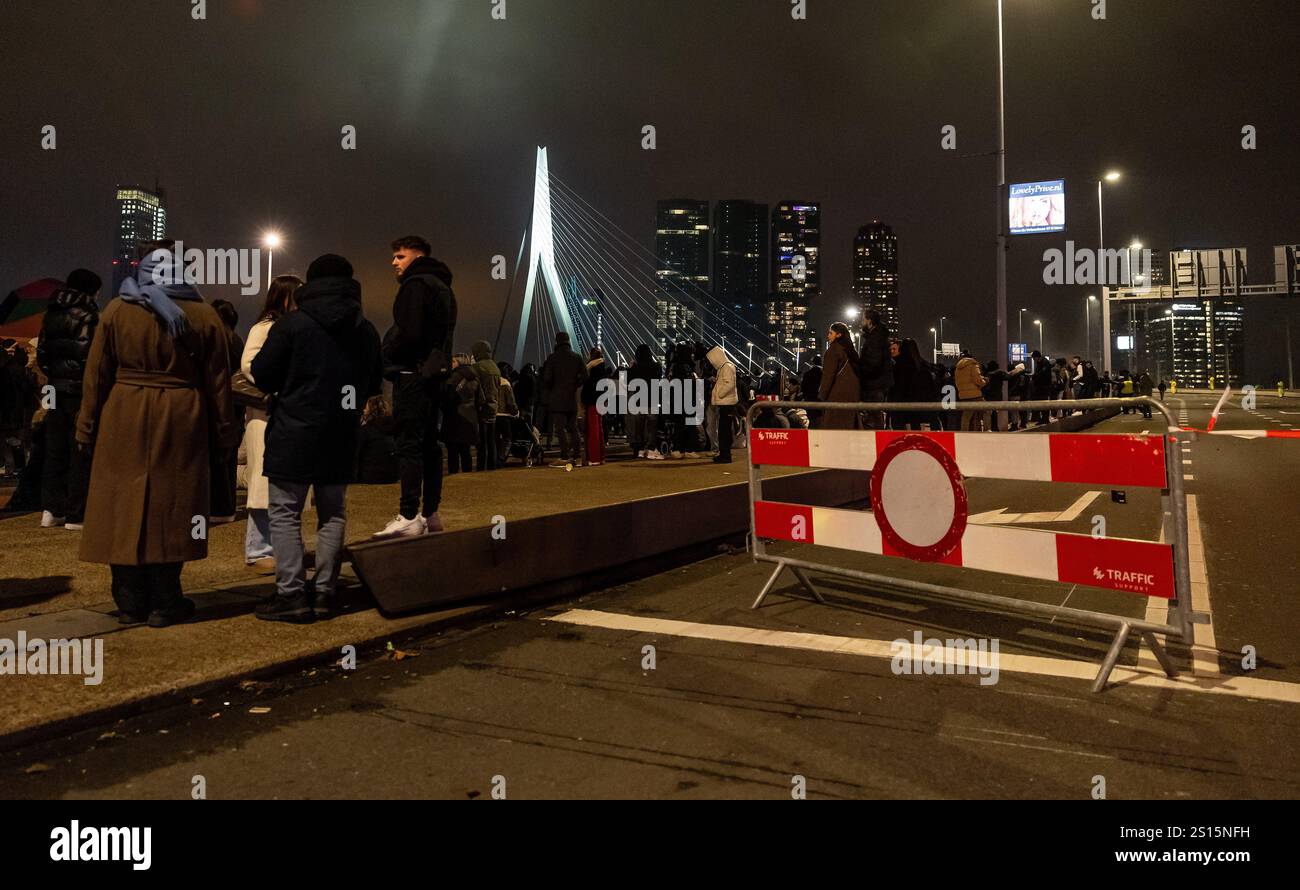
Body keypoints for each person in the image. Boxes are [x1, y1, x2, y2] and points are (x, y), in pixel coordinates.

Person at [77, 242, 237, 627]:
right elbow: (219, 383)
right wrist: (223, 433)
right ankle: (166, 600)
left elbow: (96, 374)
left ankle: (129, 600)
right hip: (183, 413)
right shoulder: (204, 315)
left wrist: (86, 425)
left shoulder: (117, 308)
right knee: (174, 503)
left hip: (124, 411)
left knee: (121, 502)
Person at [250, 254, 382, 622]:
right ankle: (325, 592)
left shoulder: (294, 325)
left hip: (295, 428)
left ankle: (291, 595)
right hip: (341, 432)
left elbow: (262, 374)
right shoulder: (365, 329)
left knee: (285, 513)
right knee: (333, 513)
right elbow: (373, 382)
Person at [375, 235, 457, 539]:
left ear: (417, 256)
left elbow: (409, 334)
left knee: (409, 443)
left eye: (400, 256)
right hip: (435, 376)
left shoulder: (416, 285)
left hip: (412, 375)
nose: (394, 262)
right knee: (430, 446)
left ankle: (408, 515)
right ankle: (430, 512)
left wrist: (387, 353)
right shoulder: (444, 287)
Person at [239, 275, 302, 573]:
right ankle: (258, 548)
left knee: (281, 484)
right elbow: (249, 365)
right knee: (264, 486)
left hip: (282, 415)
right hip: (267, 416)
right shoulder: (264, 328)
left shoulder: (290, 327)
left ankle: (278, 546)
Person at [36, 268, 101, 530]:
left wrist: (55, 377)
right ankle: (77, 513)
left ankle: (51, 509)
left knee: (54, 448)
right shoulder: (90, 315)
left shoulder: (50, 313)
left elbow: (42, 355)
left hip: (54, 388)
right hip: (80, 391)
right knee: (81, 448)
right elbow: (92, 358)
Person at [208, 299, 244, 524]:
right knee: (227, 458)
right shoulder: (236, 340)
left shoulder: (218, 341)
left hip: (218, 405)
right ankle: (224, 506)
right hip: (235, 406)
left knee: (216, 457)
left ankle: (218, 507)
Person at [541, 331, 587, 466]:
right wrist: (574, 384)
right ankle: (577, 456)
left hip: (557, 398)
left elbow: (547, 378)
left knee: (560, 429)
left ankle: (564, 456)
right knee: (573, 428)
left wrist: (551, 388)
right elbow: (585, 377)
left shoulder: (552, 358)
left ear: (557, 341)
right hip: (571, 398)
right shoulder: (577, 357)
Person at [818, 322, 862, 430]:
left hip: (837, 395)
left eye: (830, 333)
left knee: (834, 428)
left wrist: (821, 396)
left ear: (838, 335)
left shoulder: (833, 350)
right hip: (852, 395)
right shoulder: (850, 351)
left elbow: (828, 375)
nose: (828, 336)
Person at [442, 353, 479, 474]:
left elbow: (446, 398)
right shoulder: (474, 378)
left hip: (454, 417)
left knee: (453, 451)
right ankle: (468, 475)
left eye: (453, 361)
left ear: (459, 362)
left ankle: (454, 476)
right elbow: (481, 399)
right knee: (465, 450)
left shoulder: (452, 378)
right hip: (469, 418)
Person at [469, 340, 501, 471]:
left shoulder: (478, 367)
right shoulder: (495, 366)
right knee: (490, 439)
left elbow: (474, 388)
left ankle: (481, 467)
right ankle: (491, 466)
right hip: (493, 406)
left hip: (482, 407)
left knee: (482, 442)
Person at [858, 310, 893, 429]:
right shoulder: (878, 337)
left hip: (874, 383)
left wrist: (862, 373)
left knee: (873, 416)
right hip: (877, 382)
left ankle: (874, 442)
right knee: (875, 415)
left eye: (863, 319)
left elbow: (874, 363)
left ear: (870, 321)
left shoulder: (875, 339)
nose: (862, 322)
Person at [627, 344, 662, 460]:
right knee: (652, 427)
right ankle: (651, 449)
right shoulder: (656, 366)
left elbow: (627, 380)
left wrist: (631, 368)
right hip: (652, 399)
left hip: (638, 401)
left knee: (639, 427)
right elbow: (658, 379)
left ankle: (639, 449)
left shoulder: (635, 368)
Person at [707, 344, 739, 463]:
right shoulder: (725, 367)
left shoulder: (727, 367)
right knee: (723, 430)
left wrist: (719, 394)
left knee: (724, 431)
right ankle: (724, 454)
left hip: (726, 403)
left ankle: (725, 455)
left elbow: (729, 384)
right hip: (725, 403)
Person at [581, 346, 609, 466]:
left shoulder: (591, 369)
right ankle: (601, 456)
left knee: (593, 430)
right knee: (599, 430)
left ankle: (594, 458)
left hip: (592, 402)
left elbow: (588, 387)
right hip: (601, 401)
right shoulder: (603, 369)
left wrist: (584, 399)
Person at [955, 351, 989, 431]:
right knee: (987, 411)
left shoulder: (958, 368)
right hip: (975, 395)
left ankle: (964, 433)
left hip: (963, 395)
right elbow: (977, 379)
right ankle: (988, 430)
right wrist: (985, 382)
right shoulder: (973, 364)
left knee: (966, 415)